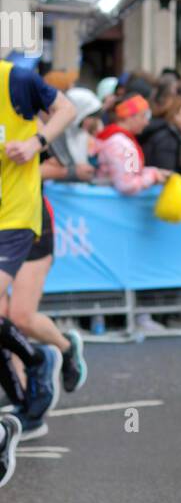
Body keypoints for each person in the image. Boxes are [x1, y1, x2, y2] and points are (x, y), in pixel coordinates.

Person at [0, 54, 77, 445]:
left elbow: (65, 165)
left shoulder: (22, 91)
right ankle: (27, 397)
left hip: (24, 220)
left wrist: (31, 149)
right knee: (4, 317)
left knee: (20, 314)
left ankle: (60, 350)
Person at [94, 94, 170, 195]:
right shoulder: (120, 144)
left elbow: (131, 171)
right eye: (143, 116)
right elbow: (126, 185)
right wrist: (153, 176)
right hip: (112, 207)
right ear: (128, 117)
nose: (146, 122)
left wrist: (155, 172)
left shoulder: (121, 140)